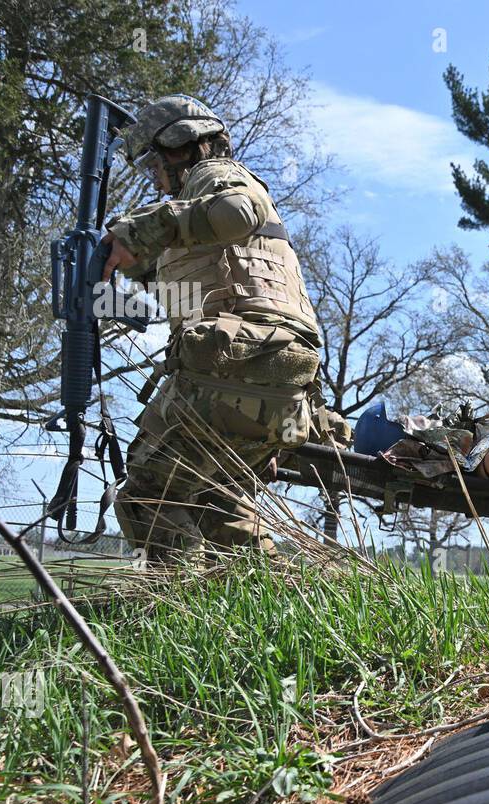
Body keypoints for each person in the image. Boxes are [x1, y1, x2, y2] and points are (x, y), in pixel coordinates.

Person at [101, 94, 347, 565]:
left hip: (237, 363)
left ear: (184, 145)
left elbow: (238, 210)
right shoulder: (201, 227)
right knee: (218, 500)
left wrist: (140, 231)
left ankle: (171, 613)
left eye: (155, 161)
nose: (153, 176)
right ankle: (274, 607)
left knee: (149, 493)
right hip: (278, 374)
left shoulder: (213, 175)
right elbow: (201, 285)